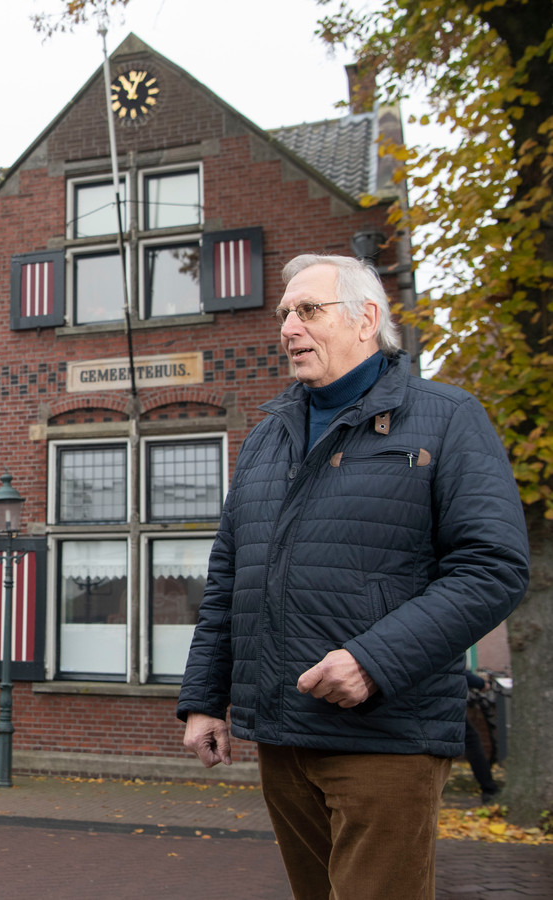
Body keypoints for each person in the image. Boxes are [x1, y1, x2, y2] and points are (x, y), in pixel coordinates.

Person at [177, 254, 528, 899]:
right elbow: (230, 575)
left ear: (367, 319)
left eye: (308, 310)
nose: (288, 327)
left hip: (387, 738)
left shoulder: (447, 418)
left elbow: (493, 568)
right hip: (282, 736)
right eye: (285, 313)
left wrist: (372, 661)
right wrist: (204, 697)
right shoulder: (266, 437)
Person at [463, 670, 501, 803]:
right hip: (438, 702)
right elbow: (453, 664)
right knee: (471, 740)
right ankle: (489, 788)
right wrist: (480, 683)